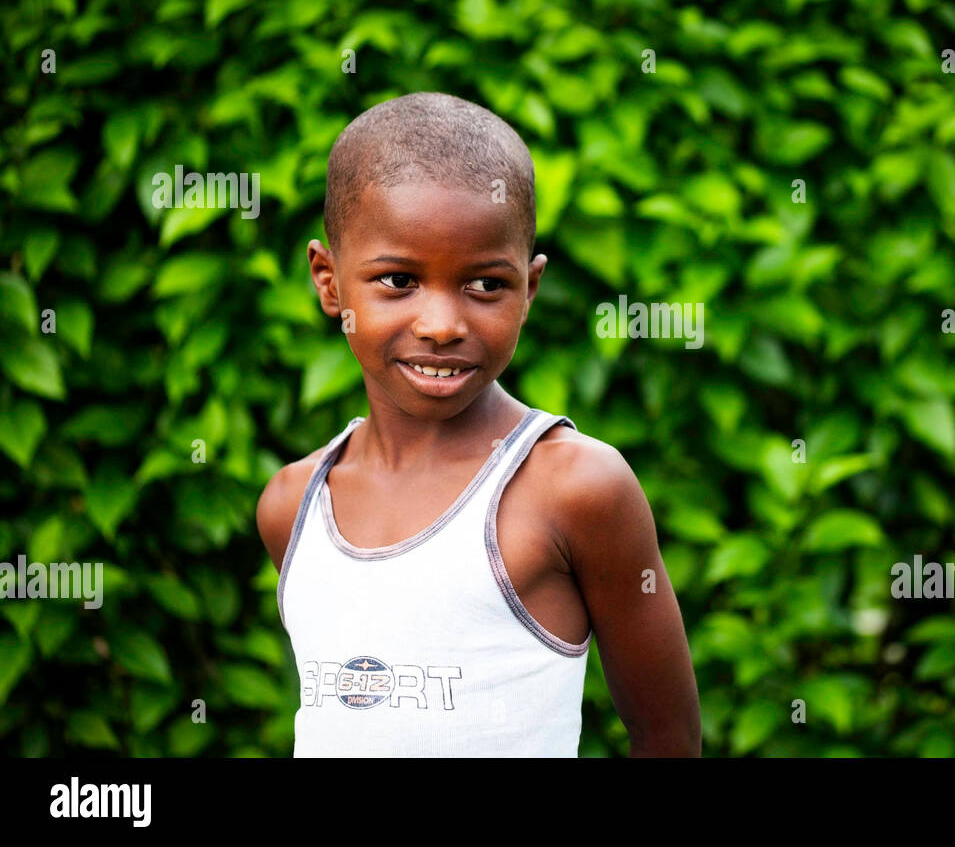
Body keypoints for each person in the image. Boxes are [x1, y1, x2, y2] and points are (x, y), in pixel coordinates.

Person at [255, 92, 700, 756]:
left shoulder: (574, 489)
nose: (441, 325)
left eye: (486, 285)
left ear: (530, 288)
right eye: (399, 280)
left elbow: (669, 740)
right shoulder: (295, 504)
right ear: (329, 281)